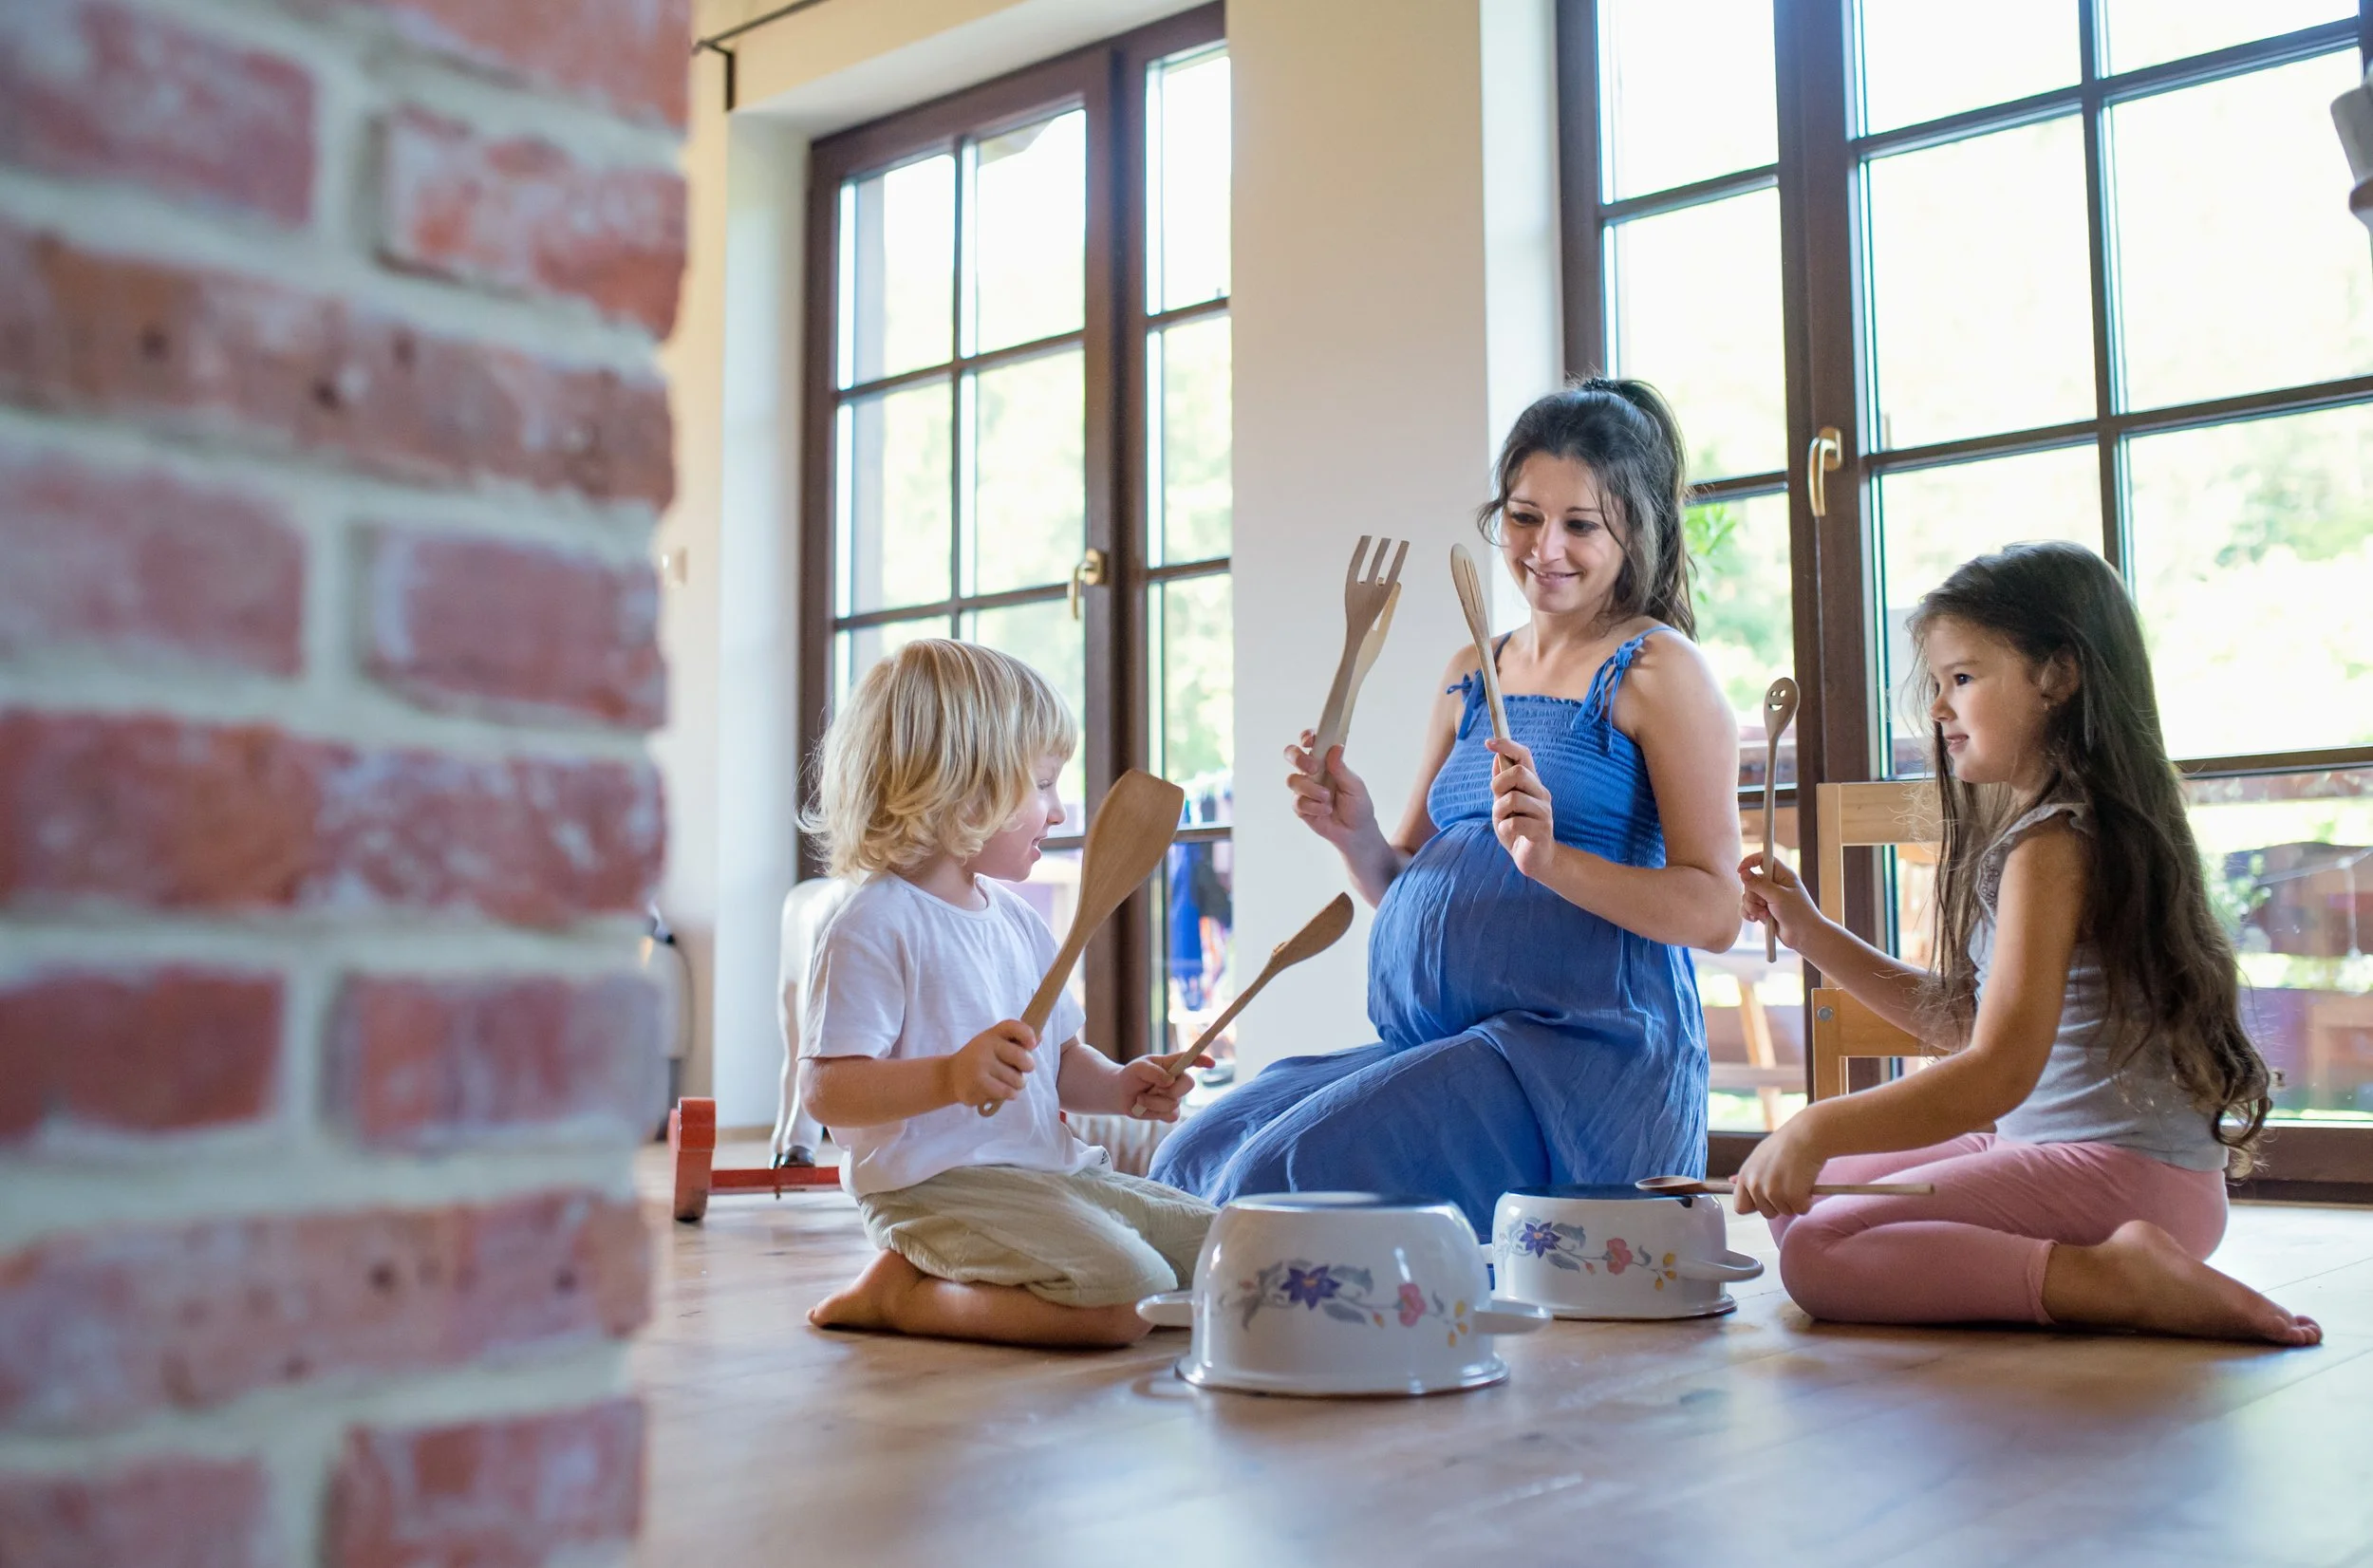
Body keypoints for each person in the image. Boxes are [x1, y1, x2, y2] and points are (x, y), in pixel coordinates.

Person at [1151, 379, 1745, 1235]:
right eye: (1524, 516)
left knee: (1293, 1172)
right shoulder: (1473, 669)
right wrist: (1353, 834)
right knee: (1195, 1152)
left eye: (1581, 524)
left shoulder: (1658, 671)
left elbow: (1717, 911)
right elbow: (1402, 882)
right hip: (1439, 1048)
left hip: (1575, 1059)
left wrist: (1553, 860)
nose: (1546, 548)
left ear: (1635, 531)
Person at [1734, 542, 2320, 1346]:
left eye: (1963, 679)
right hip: (2094, 1164)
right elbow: (1969, 1027)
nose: (1939, 708)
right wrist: (1810, 932)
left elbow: (1997, 1073)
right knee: (1797, 1199)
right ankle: (2083, 1266)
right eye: (1937, 684)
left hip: (2126, 1178)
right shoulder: (2050, 831)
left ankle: (2112, 1278)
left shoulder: (2056, 844)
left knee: (1818, 1248)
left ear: (2057, 675)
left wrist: (1813, 1126)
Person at [799, 641, 1214, 1347]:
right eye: (1044, 784)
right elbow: (827, 1094)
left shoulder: (1019, 923)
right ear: (963, 787)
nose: (1057, 811)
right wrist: (949, 1076)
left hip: (1046, 1172)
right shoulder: (872, 923)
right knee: (1125, 1301)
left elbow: (1055, 1060)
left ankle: (973, 1277)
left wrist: (1117, 1085)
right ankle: (902, 1298)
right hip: (933, 1190)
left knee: (1228, 1255)